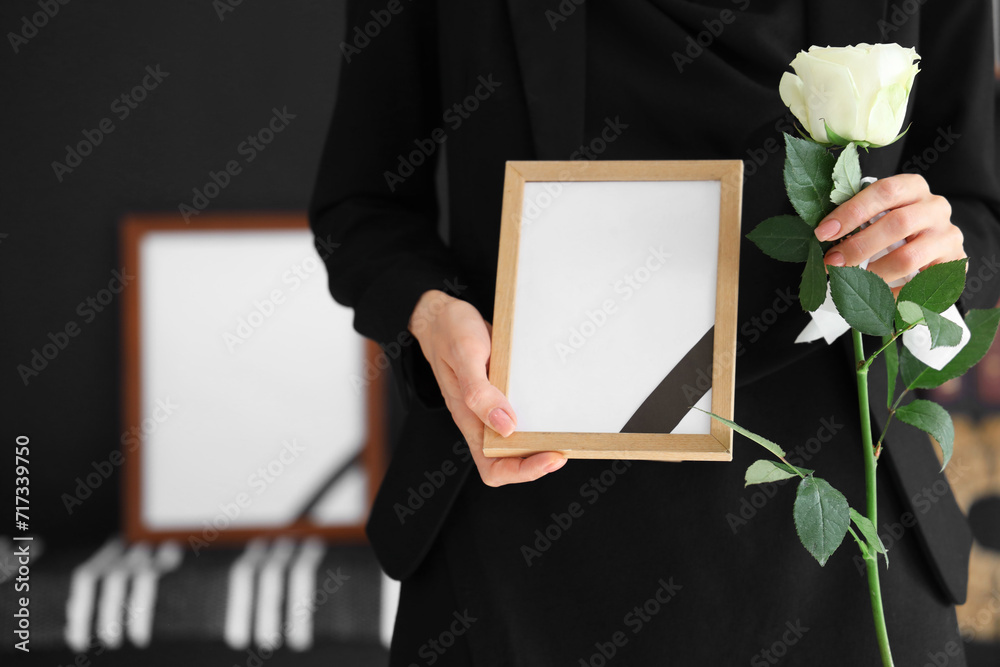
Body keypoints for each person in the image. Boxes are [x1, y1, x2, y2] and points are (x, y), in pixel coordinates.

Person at [309, 1, 1000, 663]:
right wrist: (431, 314)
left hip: (844, 536)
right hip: (521, 534)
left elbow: (978, 206)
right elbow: (361, 204)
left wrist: (939, 252)